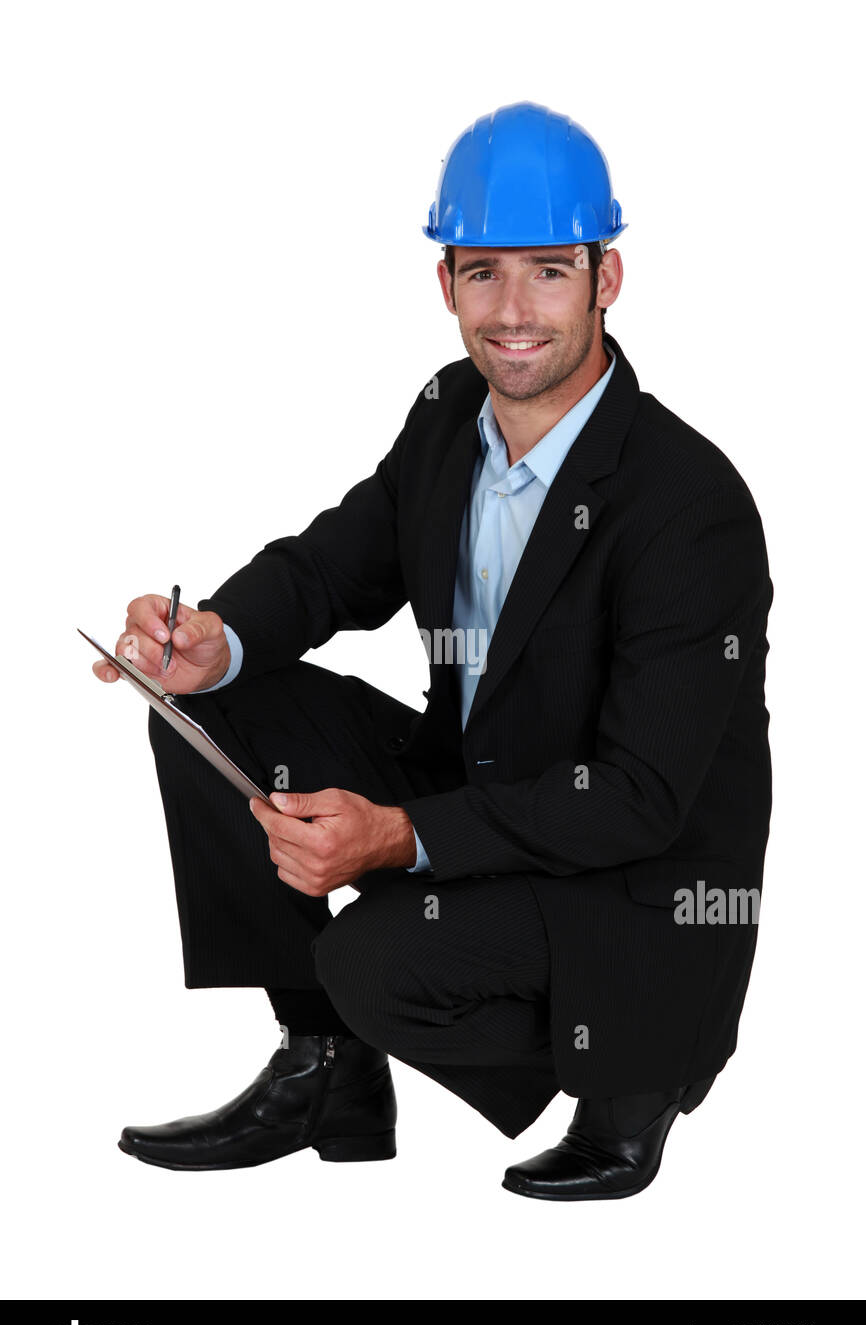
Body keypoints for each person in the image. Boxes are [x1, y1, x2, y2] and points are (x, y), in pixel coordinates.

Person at [91, 101, 772, 1200]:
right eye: (481, 273)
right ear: (443, 281)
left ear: (606, 280)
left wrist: (399, 839)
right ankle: (325, 1072)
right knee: (209, 706)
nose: (511, 313)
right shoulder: (449, 411)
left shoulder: (686, 505)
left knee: (371, 957)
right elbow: (331, 569)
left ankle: (624, 1078)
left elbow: (640, 797)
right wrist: (208, 640)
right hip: (486, 783)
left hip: (628, 874)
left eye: (548, 272)